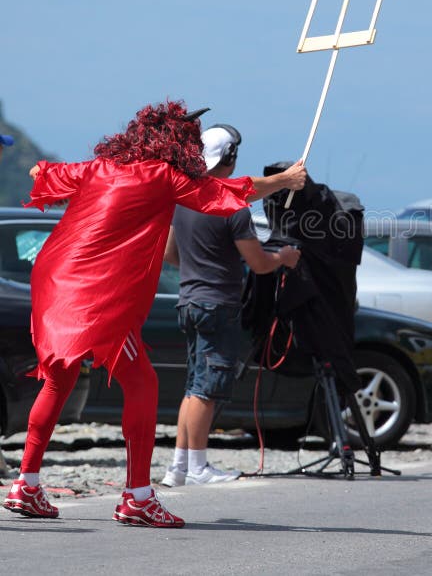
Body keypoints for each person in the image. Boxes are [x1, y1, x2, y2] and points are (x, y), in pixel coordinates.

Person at [1, 101, 278, 528]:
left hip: (55, 281)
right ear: (174, 143)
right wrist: (284, 180)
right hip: (97, 295)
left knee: (59, 379)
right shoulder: (165, 177)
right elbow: (228, 195)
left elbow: (43, 175)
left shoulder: (99, 168)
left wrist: (52, 177)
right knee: (142, 381)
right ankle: (137, 496)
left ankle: (26, 484)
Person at [160, 123, 306, 487]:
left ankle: (178, 466)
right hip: (218, 303)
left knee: (194, 385)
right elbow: (258, 263)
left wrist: (201, 263)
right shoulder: (233, 207)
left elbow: (169, 253)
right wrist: (284, 257)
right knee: (206, 389)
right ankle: (197, 467)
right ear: (230, 159)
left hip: (189, 300)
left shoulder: (184, 199)